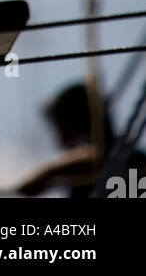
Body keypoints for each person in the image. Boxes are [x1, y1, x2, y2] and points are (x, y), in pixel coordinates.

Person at [16, 82, 146, 198]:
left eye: (61, 125)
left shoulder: (124, 159)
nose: (59, 136)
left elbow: (98, 157)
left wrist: (48, 174)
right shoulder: (128, 157)